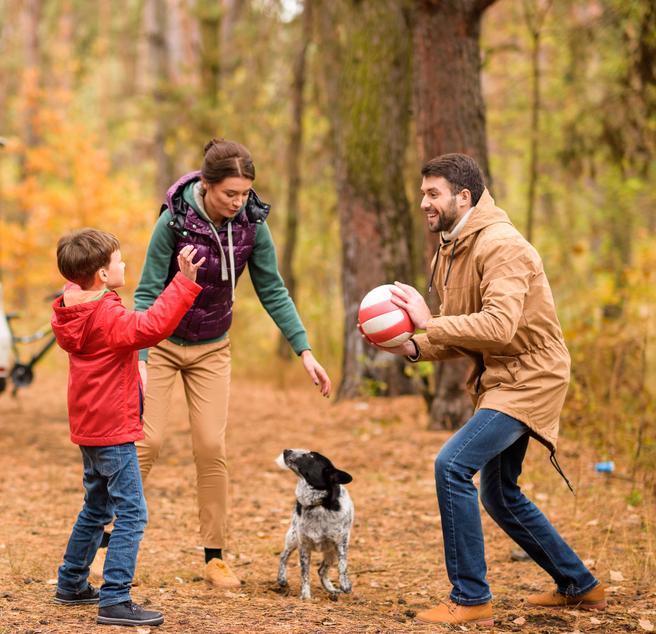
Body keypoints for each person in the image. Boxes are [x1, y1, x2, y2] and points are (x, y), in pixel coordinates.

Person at [361, 153, 604, 627]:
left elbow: (496, 326)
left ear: (463, 196)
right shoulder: (450, 250)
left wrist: (428, 322)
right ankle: (580, 585)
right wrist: (411, 347)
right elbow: (462, 334)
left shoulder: (503, 246)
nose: (424, 202)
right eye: (423, 192)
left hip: (531, 377)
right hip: (499, 377)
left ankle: (471, 599)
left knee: (452, 465)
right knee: (500, 493)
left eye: (433, 193)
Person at [127, 138, 332, 589]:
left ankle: (214, 556)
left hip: (212, 347)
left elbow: (273, 289)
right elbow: (144, 292)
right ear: (206, 185)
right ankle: (110, 545)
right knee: (147, 442)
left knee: (210, 448)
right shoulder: (174, 222)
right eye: (229, 194)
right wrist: (139, 358)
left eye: (244, 194)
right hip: (160, 342)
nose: (238, 203)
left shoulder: (252, 226)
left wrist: (305, 350)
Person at [50, 227, 204, 627]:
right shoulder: (106, 313)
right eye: (118, 261)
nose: (124, 264)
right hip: (113, 428)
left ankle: (71, 583)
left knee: (96, 506)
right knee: (132, 514)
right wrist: (183, 283)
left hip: (88, 424)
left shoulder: (73, 305)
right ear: (101, 274)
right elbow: (150, 327)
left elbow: (79, 276)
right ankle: (115, 598)